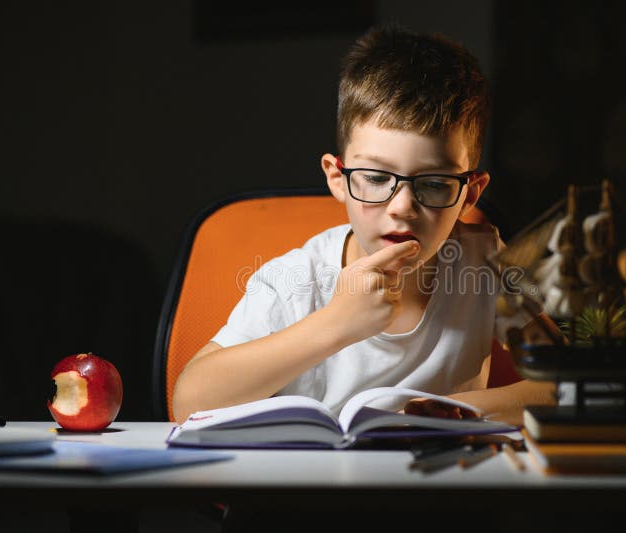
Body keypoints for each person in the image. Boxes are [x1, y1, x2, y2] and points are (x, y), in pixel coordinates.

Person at [172, 25, 558, 426]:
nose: (403, 207)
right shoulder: (296, 279)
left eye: (434, 184)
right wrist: (334, 326)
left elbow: (565, 385)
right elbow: (188, 401)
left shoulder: (483, 264)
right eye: (376, 178)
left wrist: (461, 412)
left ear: (470, 194)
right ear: (337, 179)